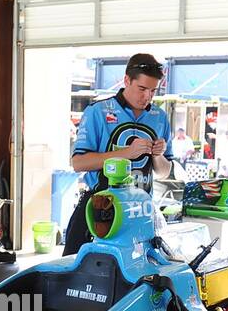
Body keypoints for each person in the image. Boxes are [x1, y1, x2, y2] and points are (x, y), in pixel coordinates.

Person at [65, 52, 173, 253]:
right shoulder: (97, 111)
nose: (147, 96)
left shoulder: (160, 117)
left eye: (153, 91)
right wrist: (126, 153)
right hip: (100, 208)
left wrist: (158, 154)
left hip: (141, 212)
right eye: (142, 88)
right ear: (126, 80)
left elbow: (164, 172)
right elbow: (78, 163)